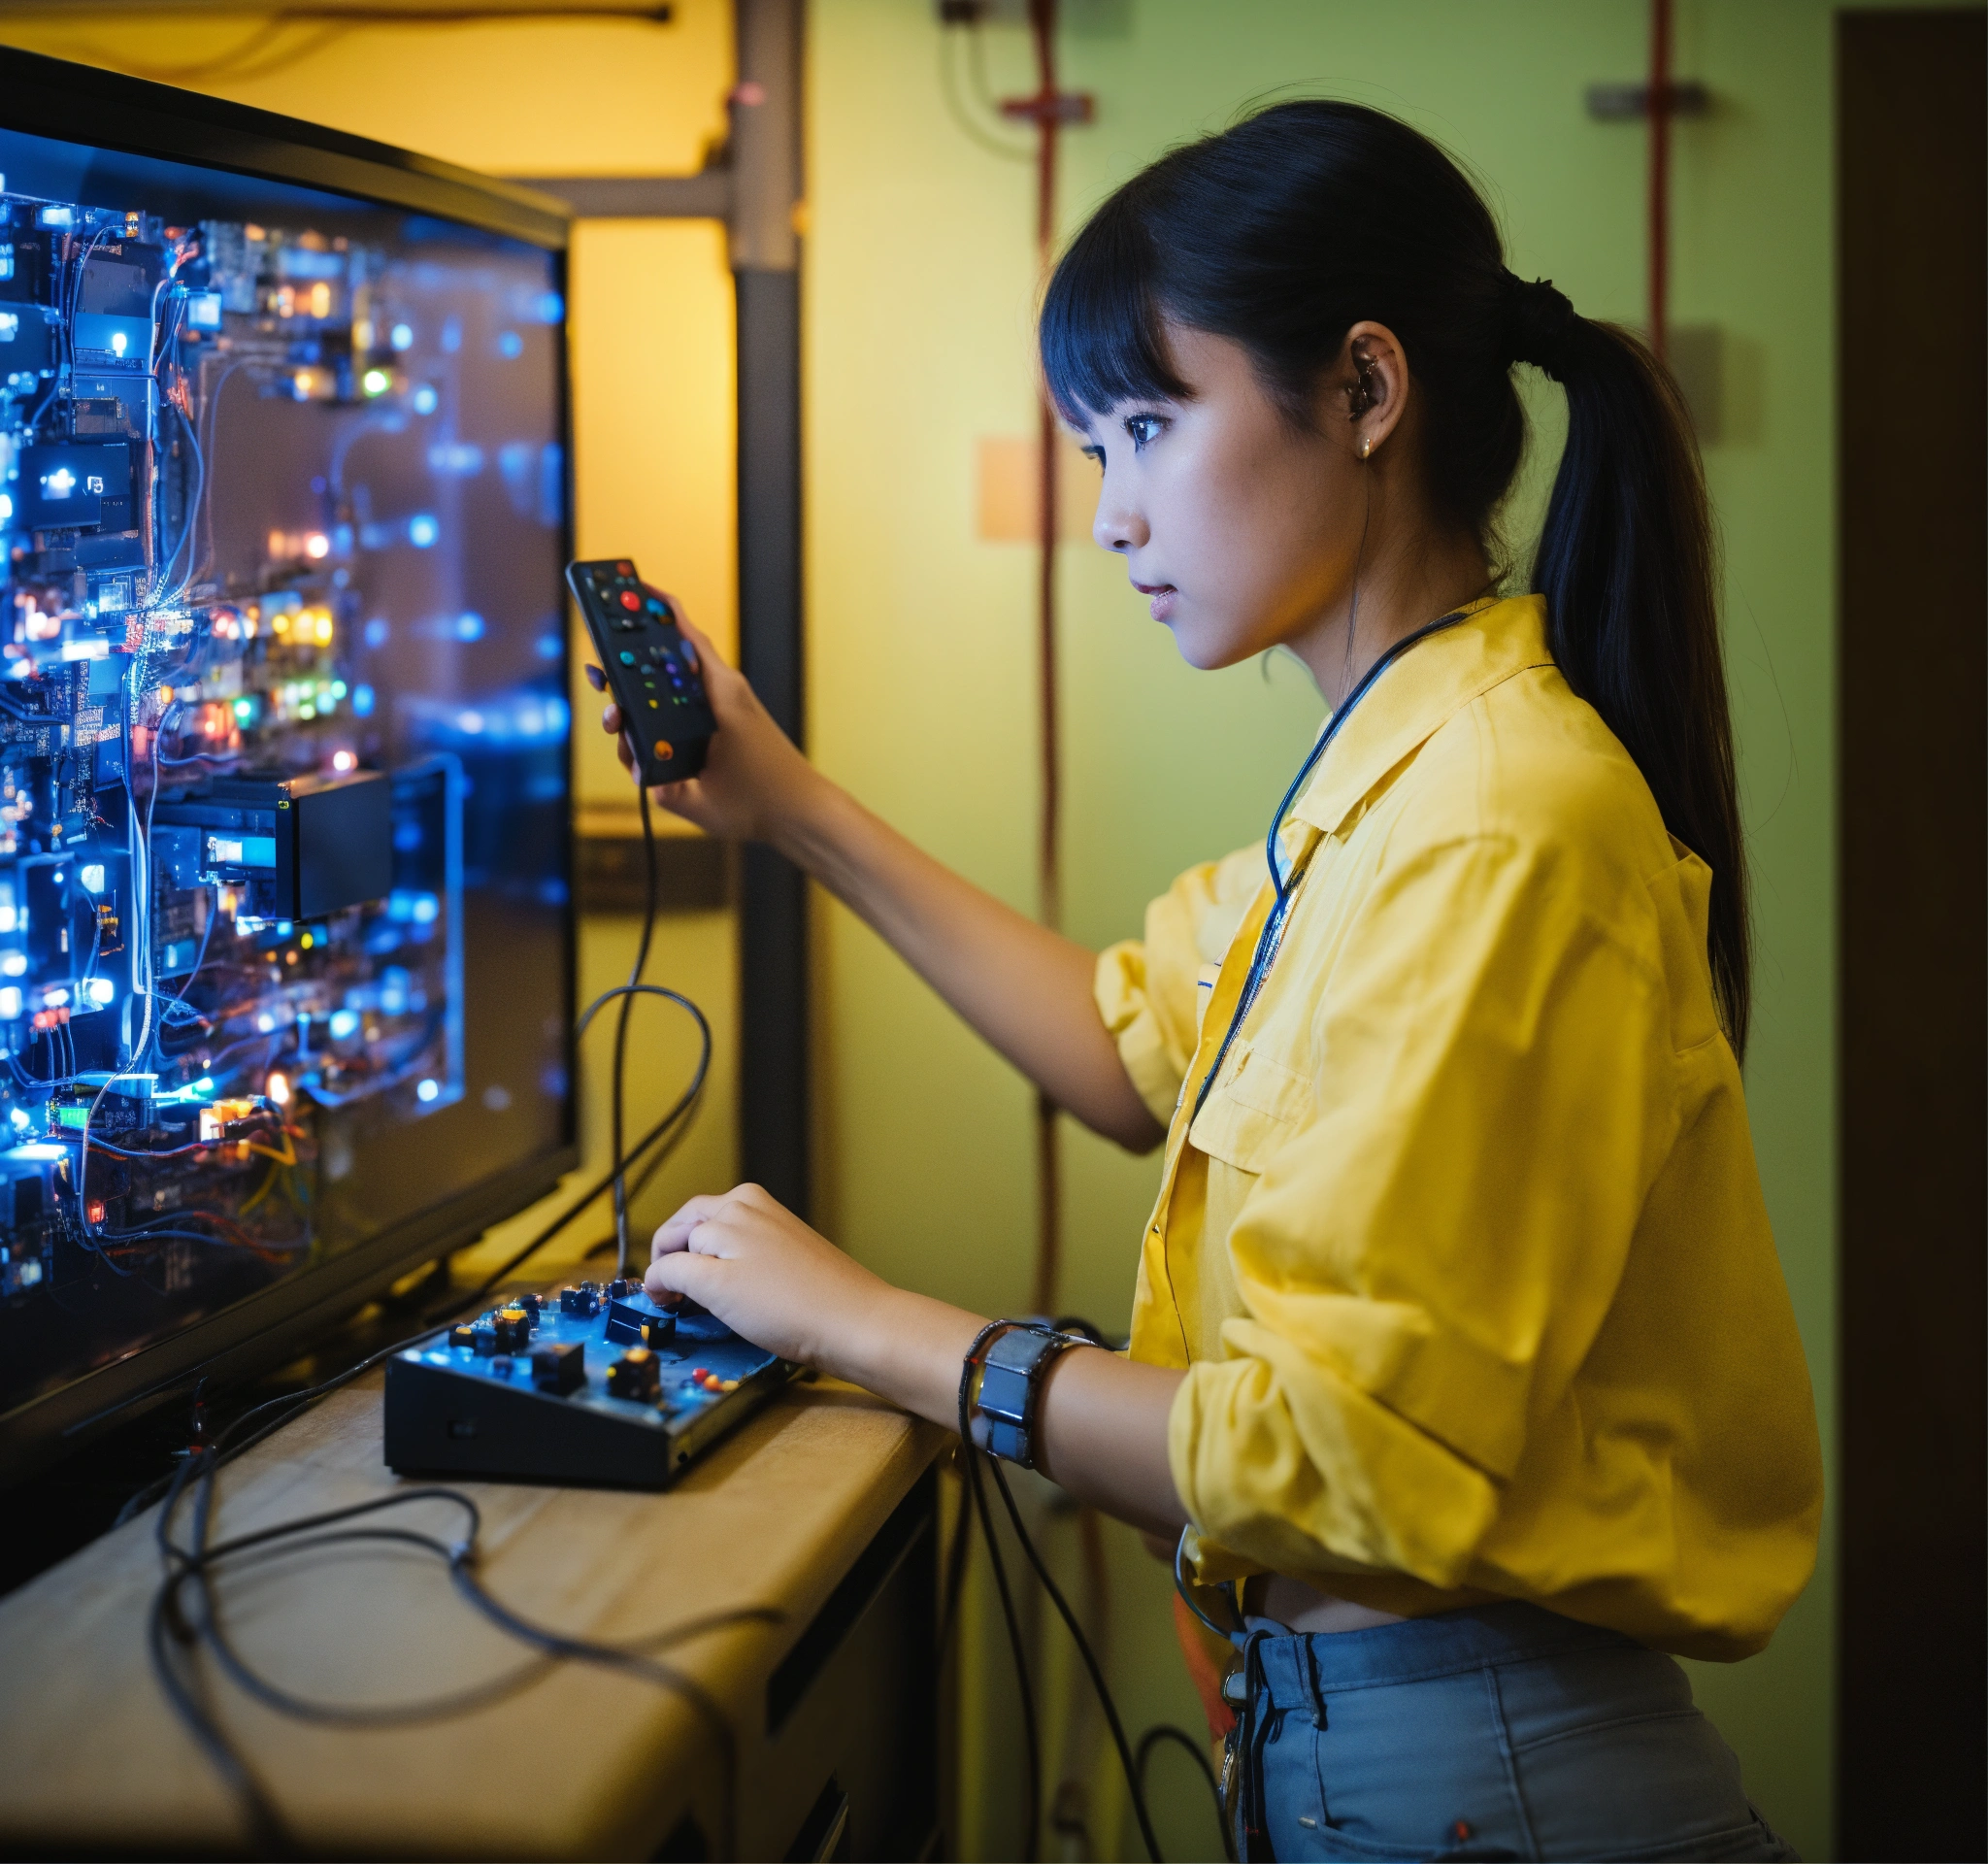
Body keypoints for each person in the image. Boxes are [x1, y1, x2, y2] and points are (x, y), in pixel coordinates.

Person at [587, 99, 1821, 1863]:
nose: (1113, 517)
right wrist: (787, 807)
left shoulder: (1495, 820)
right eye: (1097, 449)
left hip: (1489, 1789)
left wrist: (858, 1324)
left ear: (1365, 390)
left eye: (1149, 429)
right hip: (1412, 1762)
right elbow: (1124, 1046)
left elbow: (1343, 1452)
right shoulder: (1388, 785)